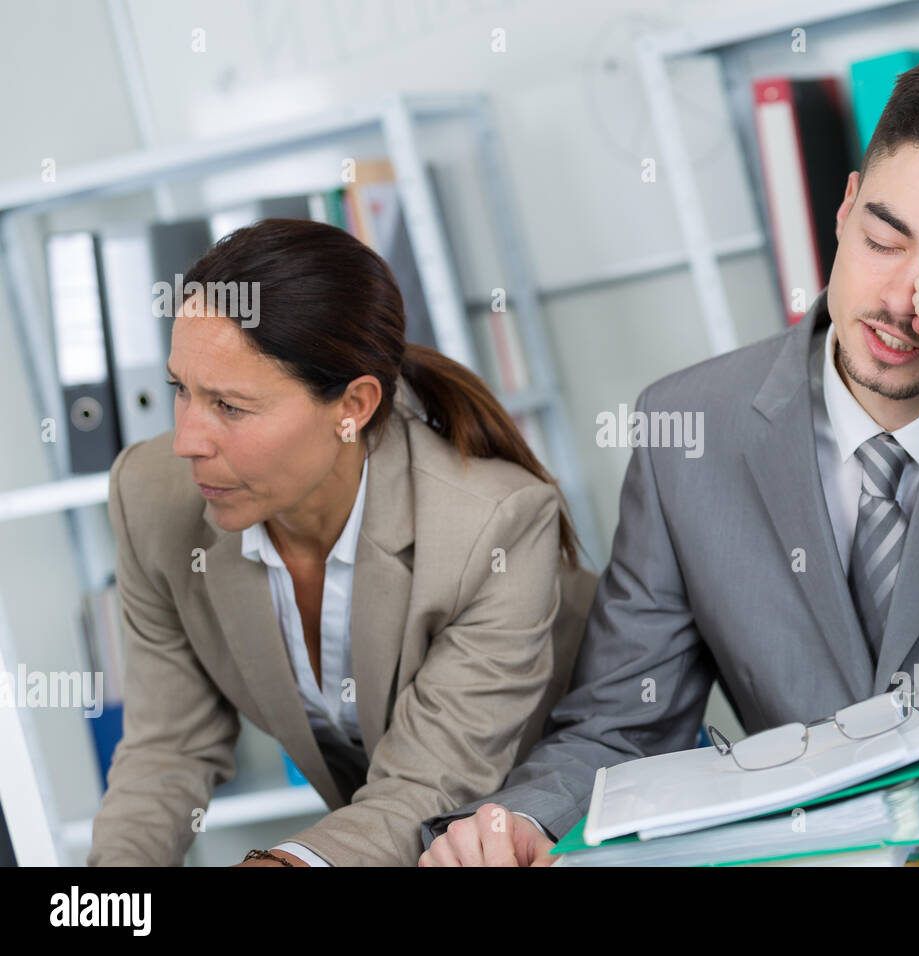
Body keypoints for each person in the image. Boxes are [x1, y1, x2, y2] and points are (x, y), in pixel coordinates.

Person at [418, 55, 919, 867]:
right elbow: (624, 723)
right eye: (882, 241)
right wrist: (522, 819)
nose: (903, 302)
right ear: (843, 211)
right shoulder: (688, 429)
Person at [87, 218, 596, 866]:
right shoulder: (152, 497)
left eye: (231, 407)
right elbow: (168, 748)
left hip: (557, 829)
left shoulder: (493, 524)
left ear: (351, 406)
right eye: (180, 391)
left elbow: (425, 785)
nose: (189, 439)